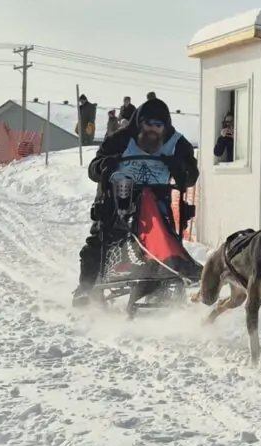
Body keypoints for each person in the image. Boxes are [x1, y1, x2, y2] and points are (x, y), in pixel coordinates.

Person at [74, 95, 199, 306]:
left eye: (157, 125)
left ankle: (167, 273)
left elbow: (191, 176)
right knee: (99, 241)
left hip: (157, 204)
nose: (152, 129)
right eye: (147, 123)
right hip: (118, 201)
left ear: (165, 126)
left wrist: (180, 168)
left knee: (165, 235)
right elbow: (94, 168)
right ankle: (85, 288)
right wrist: (105, 165)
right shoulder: (121, 139)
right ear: (139, 122)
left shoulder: (177, 144)